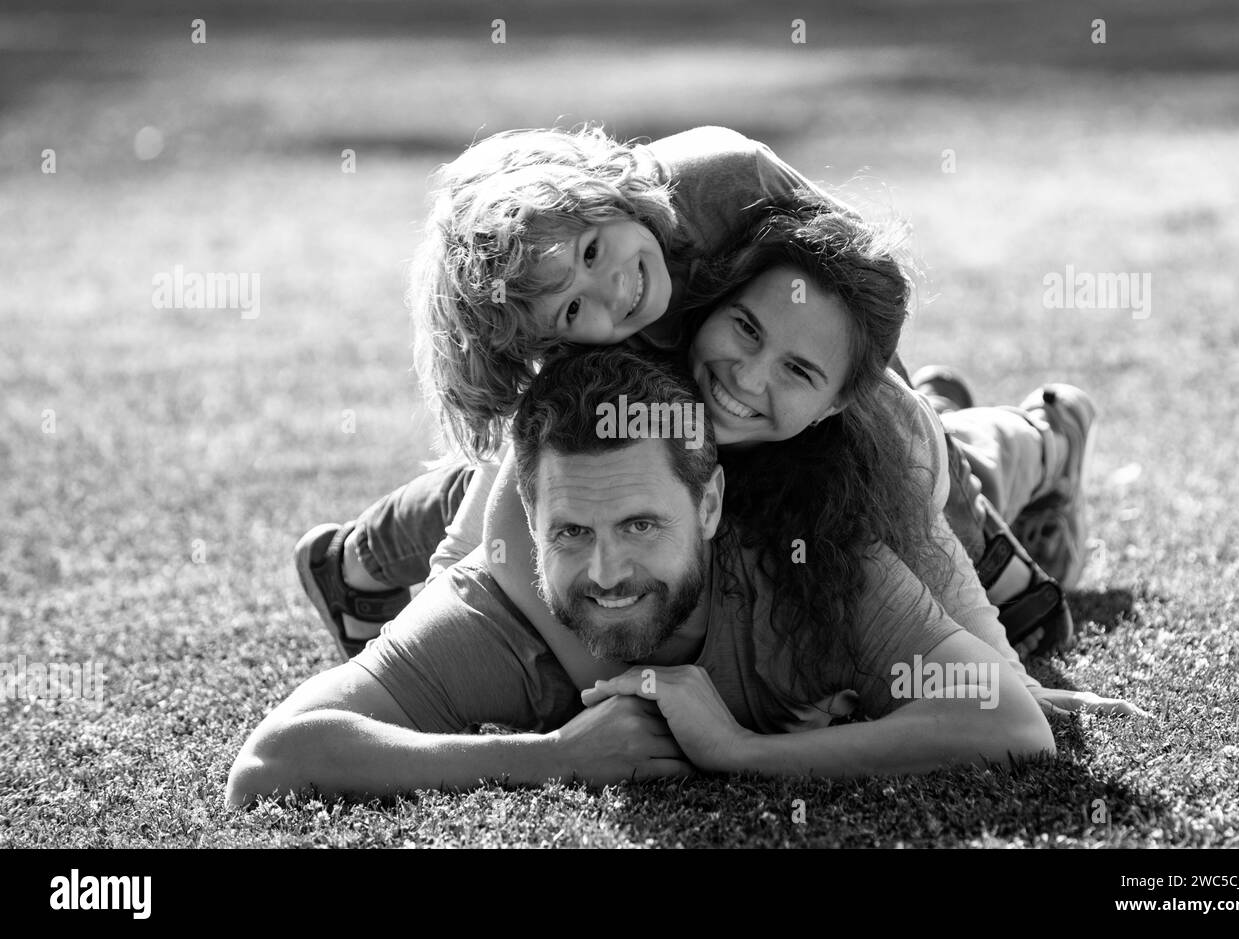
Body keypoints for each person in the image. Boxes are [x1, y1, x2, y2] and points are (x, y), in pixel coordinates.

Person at [296, 128, 1072, 661]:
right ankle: (353, 559)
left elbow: (858, 328)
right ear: (551, 339)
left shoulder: (727, 179)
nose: (612, 293)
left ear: (602, 194)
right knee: (570, 483)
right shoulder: (590, 353)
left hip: (786, 387)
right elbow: (498, 499)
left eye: (595, 250)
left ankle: (1021, 439)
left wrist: (973, 533)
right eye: (572, 309)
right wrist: (440, 621)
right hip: (706, 409)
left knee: (883, 421)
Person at [225, 347, 1058, 808]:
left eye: (641, 526)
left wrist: (740, 751)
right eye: (572, 532)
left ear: (710, 502)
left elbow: (1013, 723)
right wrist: (550, 757)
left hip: (911, 463)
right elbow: (269, 760)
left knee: (963, 453)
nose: (606, 571)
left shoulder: (807, 564)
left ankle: (1045, 430)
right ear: (524, 514)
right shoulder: (498, 614)